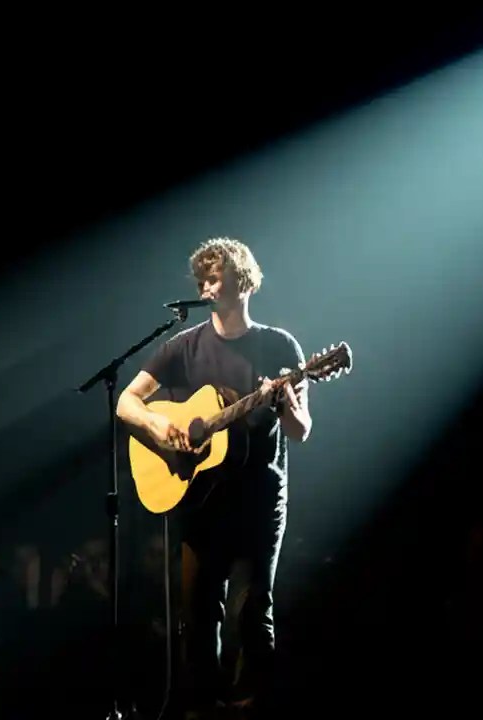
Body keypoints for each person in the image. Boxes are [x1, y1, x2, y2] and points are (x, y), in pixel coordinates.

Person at [116, 237, 312, 717]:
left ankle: (251, 705)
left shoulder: (279, 346)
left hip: (259, 500)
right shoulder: (183, 346)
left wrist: (285, 403)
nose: (205, 284)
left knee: (250, 613)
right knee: (199, 615)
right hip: (201, 501)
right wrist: (159, 425)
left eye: (214, 274)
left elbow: (301, 431)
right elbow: (126, 402)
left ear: (241, 279)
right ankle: (199, 708)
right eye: (200, 277)